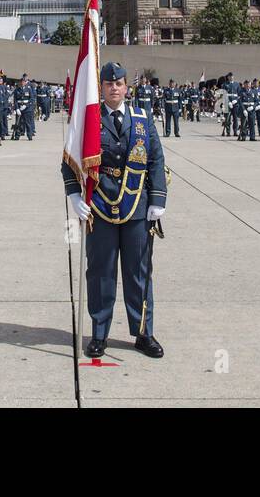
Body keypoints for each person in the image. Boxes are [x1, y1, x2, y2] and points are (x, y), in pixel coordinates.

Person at [63, 61, 167, 360]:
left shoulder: (142, 119)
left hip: (137, 206)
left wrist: (158, 199)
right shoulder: (89, 121)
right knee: (101, 273)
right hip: (100, 207)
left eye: (119, 83)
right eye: (108, 84)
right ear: (102, 88)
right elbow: (68, 158)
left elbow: (156, 160)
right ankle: (99, 333)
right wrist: (73, 195)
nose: (114, 88)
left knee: (139, 273)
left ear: (126, 87)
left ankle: (144, 333)